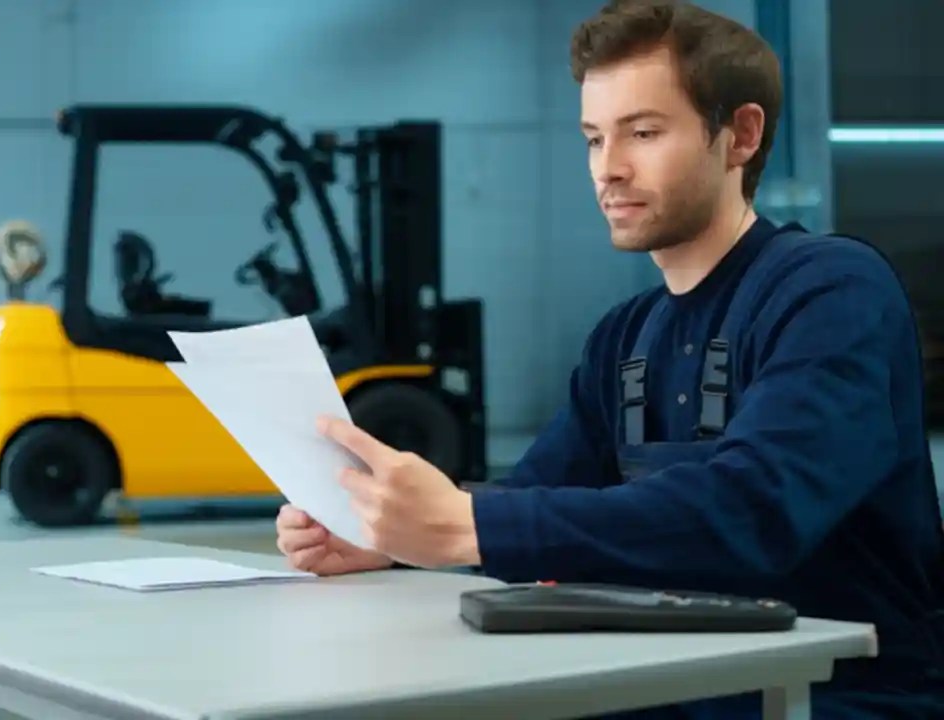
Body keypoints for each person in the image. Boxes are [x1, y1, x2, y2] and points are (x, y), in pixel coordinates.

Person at [276, 0, 944, 717]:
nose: (609, 169)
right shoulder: (625, 337)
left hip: (836, 697)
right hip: (673, 683)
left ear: (741, 136)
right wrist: (393, 535)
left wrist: (465, 526)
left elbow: (756, 509)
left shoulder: (830, 289)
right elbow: (539, 493)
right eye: (595, 139)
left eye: (644, 133)